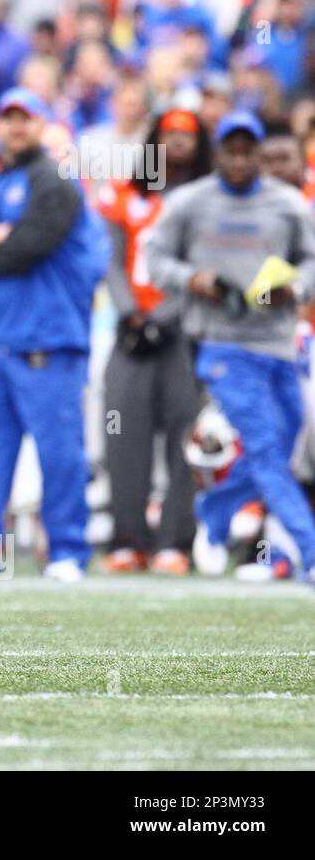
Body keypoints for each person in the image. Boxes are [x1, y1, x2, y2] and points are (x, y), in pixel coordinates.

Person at [0, 88, 109, 580]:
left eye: (26, 118)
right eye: (7, 118)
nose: (16, 127)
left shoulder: (56, 182)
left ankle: (68, 551)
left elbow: (27, 248)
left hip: (47, 339)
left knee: (60, 454)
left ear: (42, 126)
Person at [146, 110, 315, 581]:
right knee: (262, 448)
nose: (240, 161)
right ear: (217, 153)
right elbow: (154, 258)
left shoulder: (287, 204)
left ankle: (216, 511)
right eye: (231, 151)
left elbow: (312, 261)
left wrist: (295, 289)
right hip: (221, 344)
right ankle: (310, 551)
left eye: (248, 151)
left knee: (282, 453)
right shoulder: (189, 202)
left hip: (278, 343)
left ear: (259, 153)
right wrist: (191, 279)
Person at [96, 108, 211, 574]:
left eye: (187, 136)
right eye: (169, 134)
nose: (178, 143)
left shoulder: (210, 199)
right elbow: (111, 260)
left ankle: (174, 542)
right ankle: (127, 539)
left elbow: (208, 266)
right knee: (123, 434)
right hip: (130, 332)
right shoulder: (125, 192)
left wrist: (164, 318)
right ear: (154, 140)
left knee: (186, 438)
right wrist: (128, 314)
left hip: (185, 330)